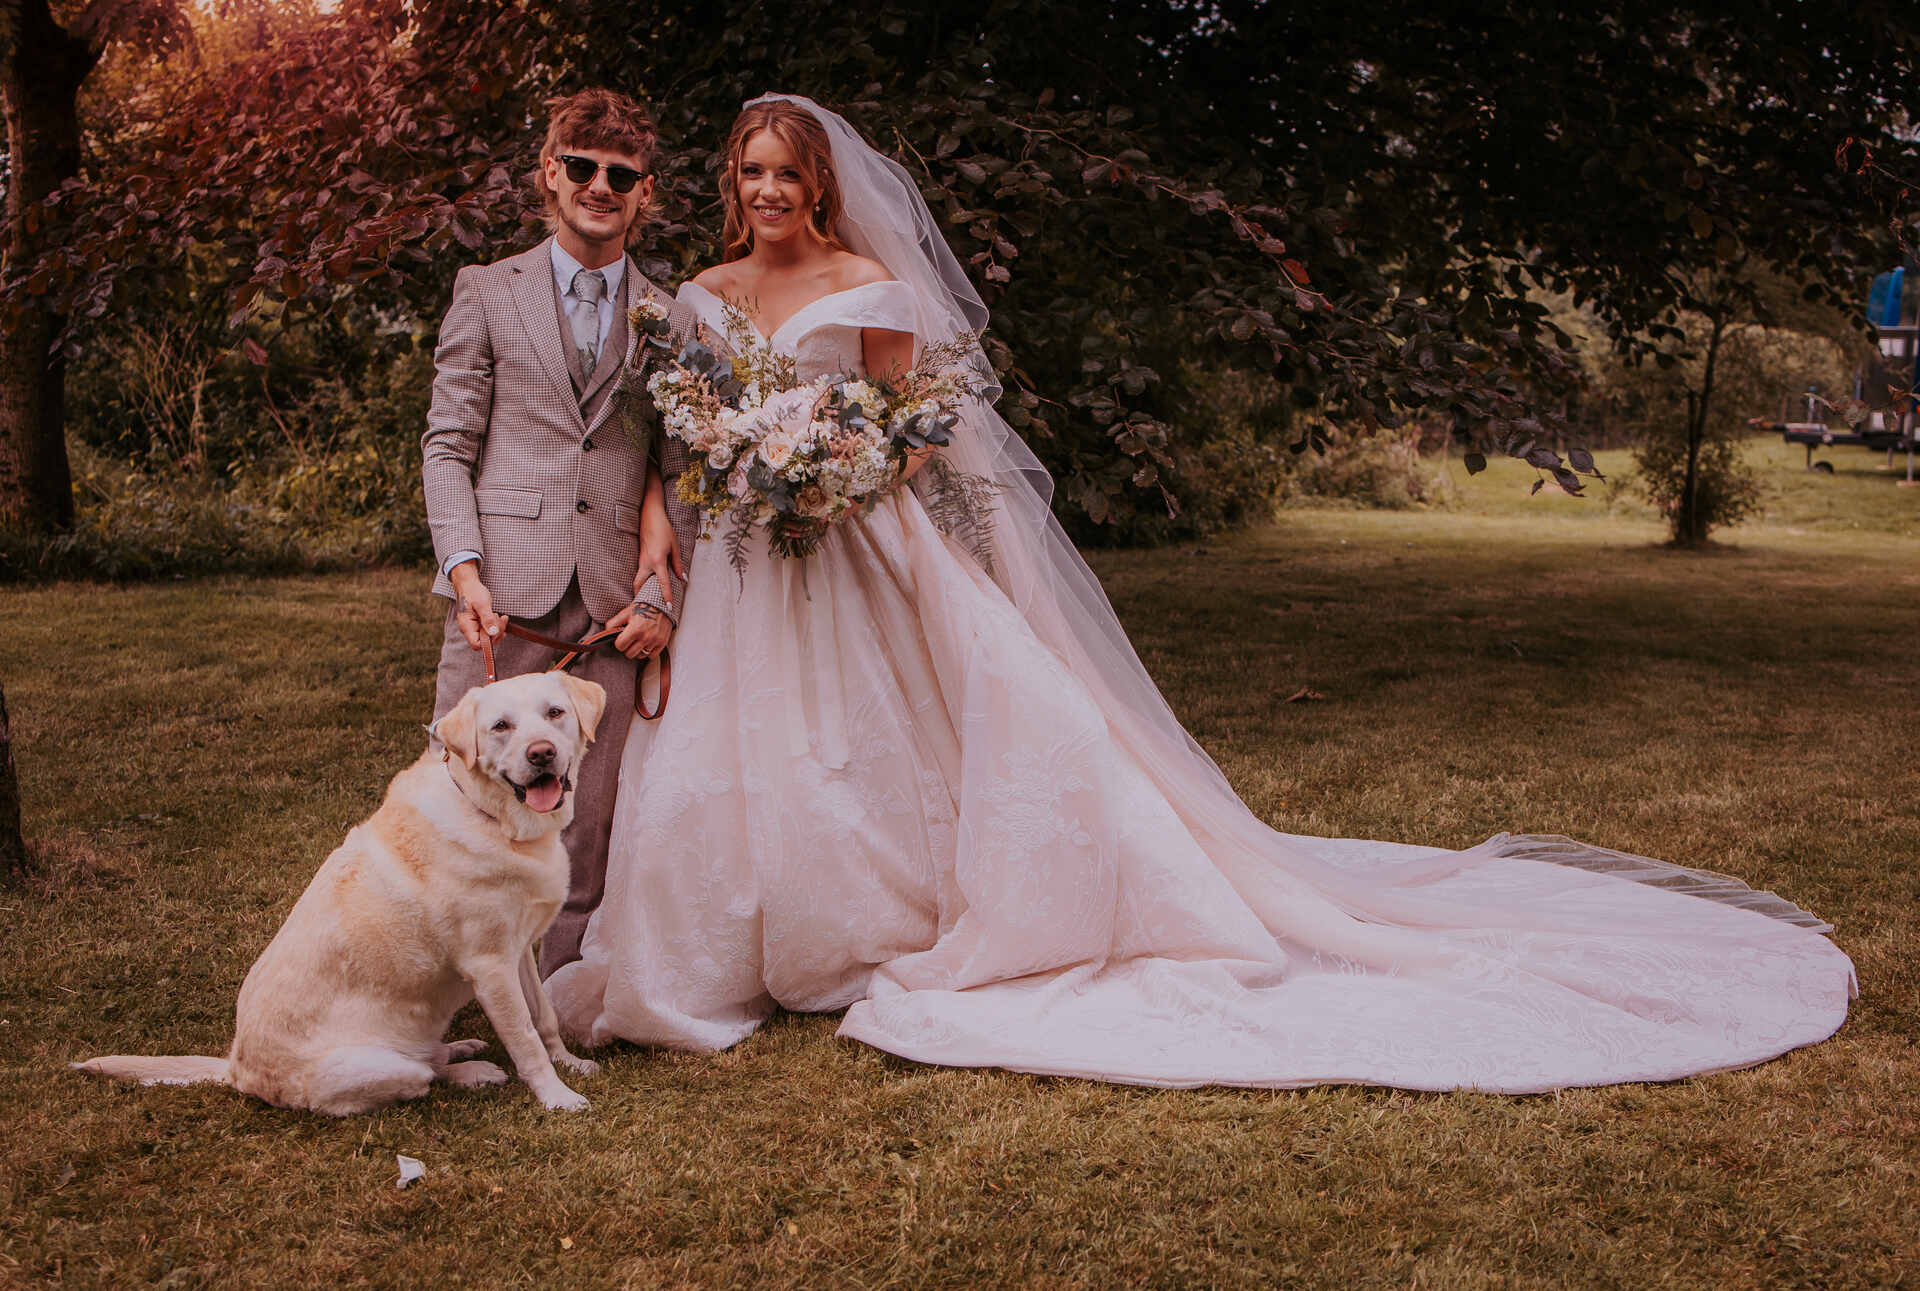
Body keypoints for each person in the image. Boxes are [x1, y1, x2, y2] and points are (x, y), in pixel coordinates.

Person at [547, 95, 1856, 1091]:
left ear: (818, 183)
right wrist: (725, 492)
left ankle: (893, 919)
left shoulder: (862, 282)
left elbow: (921, 420)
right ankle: (730, 950)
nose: (768, 191)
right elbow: (686, 439)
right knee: (746, 740)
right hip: (743, 560)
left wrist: (839, 462)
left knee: (939, 724)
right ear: (731, 187)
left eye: (787, 173)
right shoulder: (704, 294)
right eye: (751, 175)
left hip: (865, 538)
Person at [422, 89, 699, 976]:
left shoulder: (670, 315)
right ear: (551, 173)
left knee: (588, 806)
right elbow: (448, 445)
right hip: (500, 596)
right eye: (582, 168)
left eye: (622, 175)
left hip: (616, 602)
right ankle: (442, 985)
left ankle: (560, 992)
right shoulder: (486, 291)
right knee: (460, 789)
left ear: (643, 192)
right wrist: (464, 571)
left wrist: (664, 595)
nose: (600, 186)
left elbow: (684, 466)